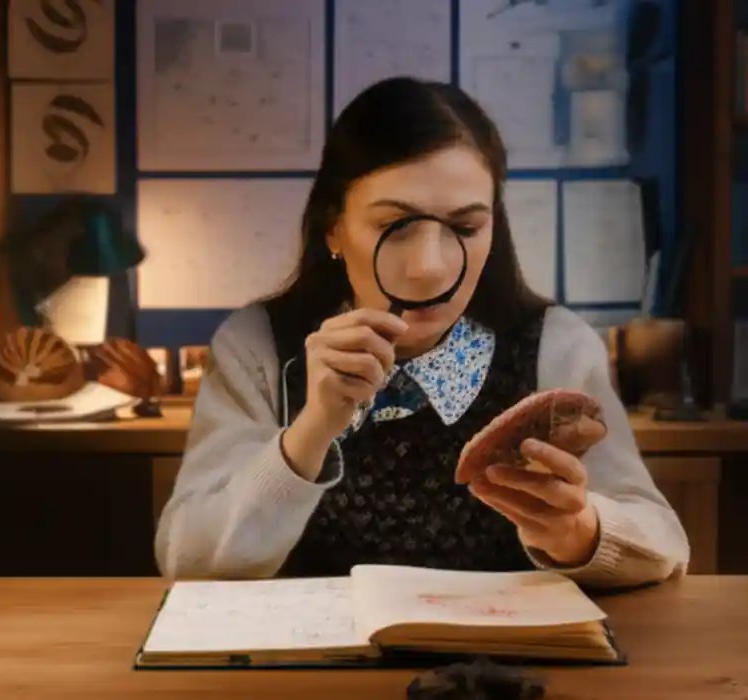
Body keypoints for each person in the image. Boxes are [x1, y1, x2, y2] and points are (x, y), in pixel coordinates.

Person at [154, 77, 689, 586]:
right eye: (395, 227)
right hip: (308, 669)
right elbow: (186, 559)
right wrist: (311, 431)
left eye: (464, 228)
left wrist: (581, 532)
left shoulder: (558, 346)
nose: (431, 267)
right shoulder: (257, 347)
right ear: (333, 229)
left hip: (500, 671)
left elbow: (665, 545)